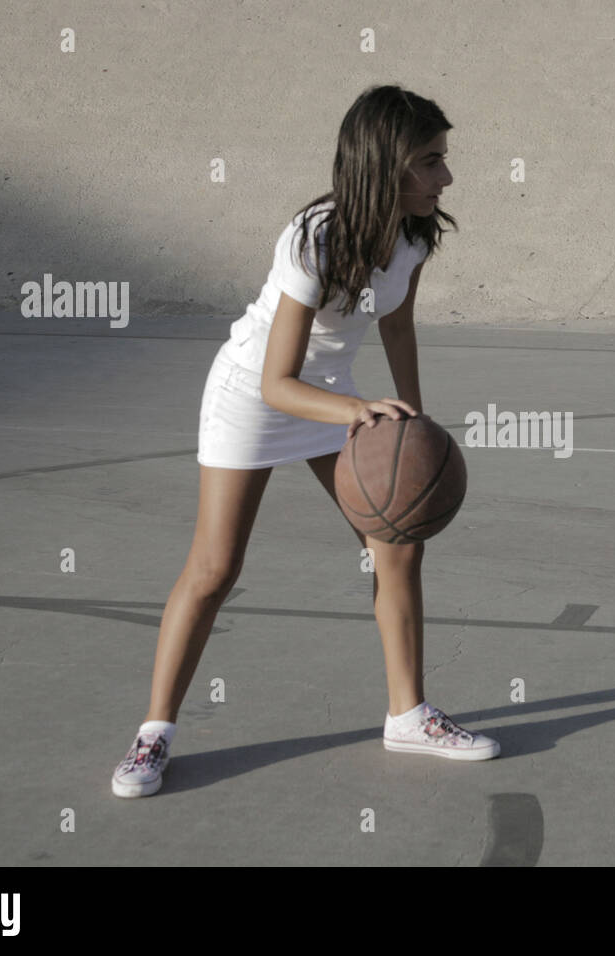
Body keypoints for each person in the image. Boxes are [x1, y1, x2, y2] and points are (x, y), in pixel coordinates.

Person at [112, 85, 499, 799]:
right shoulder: (314, 236)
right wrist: (354, 410)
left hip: (334, 391)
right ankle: (153, 735)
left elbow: (396, 326)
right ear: (385, 165)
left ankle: (408, 714)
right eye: (430, 161)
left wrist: (410, 415)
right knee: (215, 567)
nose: (445, 177)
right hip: (257, 394)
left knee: (397, 542)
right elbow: (276, 382)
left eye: (445, 158)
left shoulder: (415, 232)